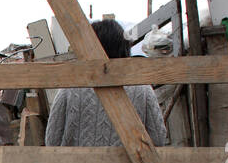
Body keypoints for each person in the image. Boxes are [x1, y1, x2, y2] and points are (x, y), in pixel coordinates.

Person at [44, 18, 168, 147]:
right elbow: (158, 138)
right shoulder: (142, 88)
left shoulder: (70, 88)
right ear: (124, 47)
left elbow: (52, 140)